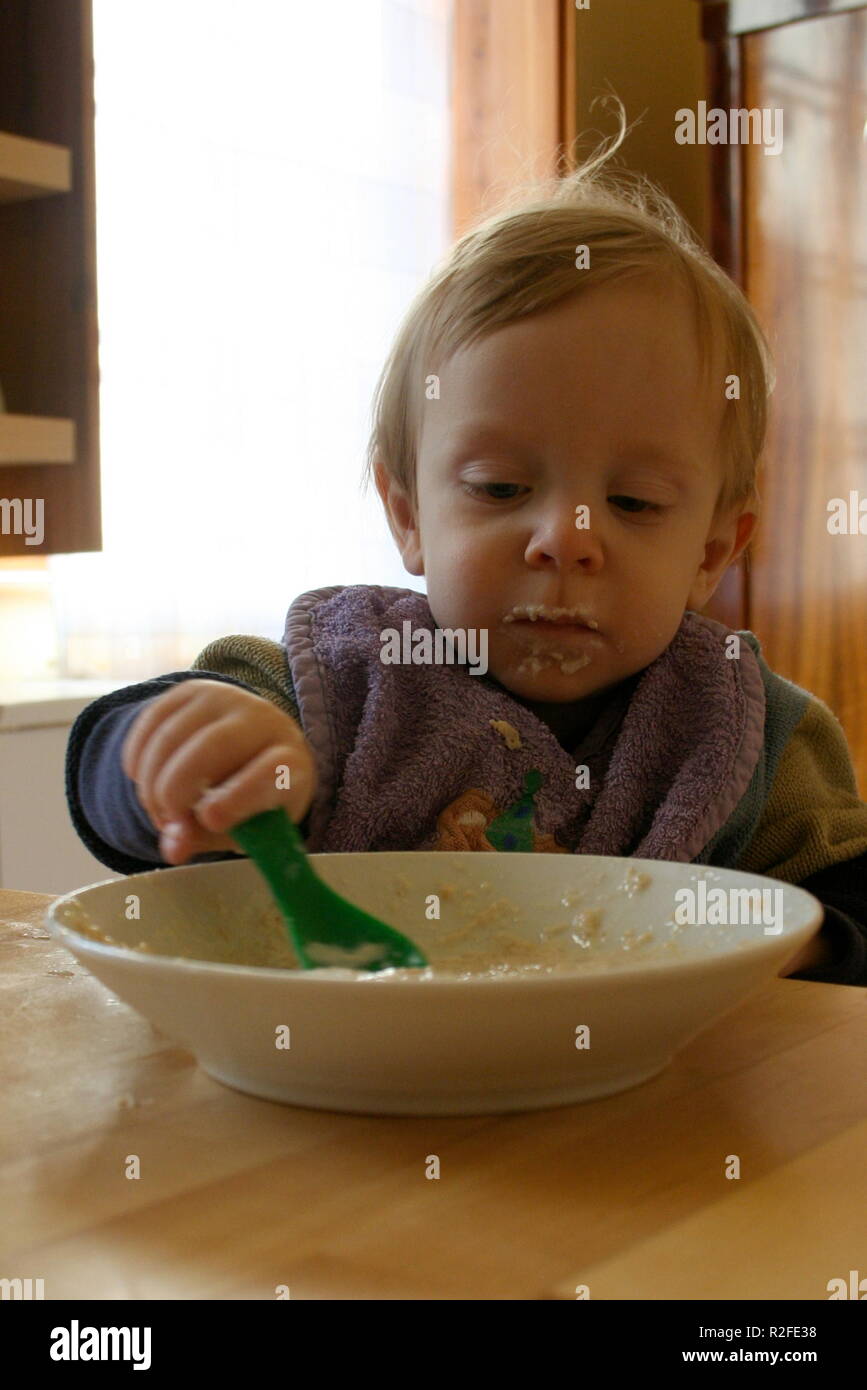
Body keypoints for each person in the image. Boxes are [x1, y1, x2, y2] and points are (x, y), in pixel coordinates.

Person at [65, 111, 867, 986]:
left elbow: (853, 914)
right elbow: (118, 791)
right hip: (344, 1089)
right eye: (500, 489)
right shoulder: (329, 687)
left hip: (642, 1108)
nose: (566, 539)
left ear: (713, 548)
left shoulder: (749, 737)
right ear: (407, 513)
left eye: (632, 502)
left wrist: (802, 945)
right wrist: (178, 752)